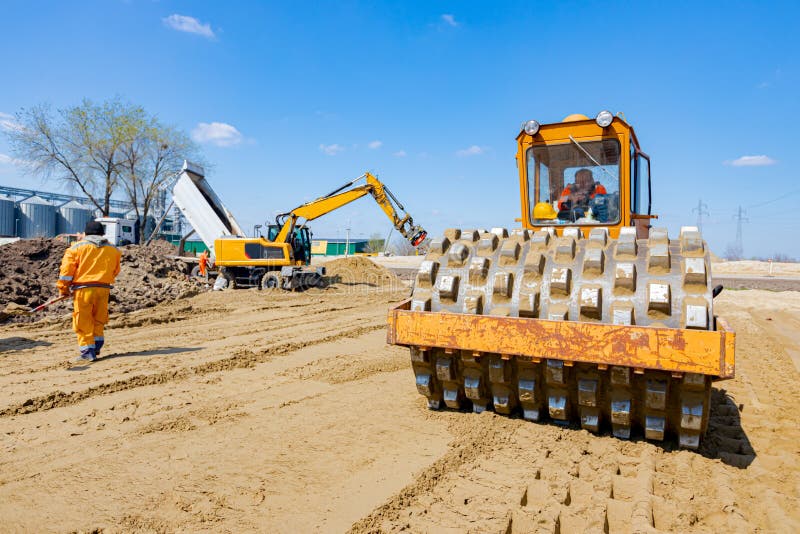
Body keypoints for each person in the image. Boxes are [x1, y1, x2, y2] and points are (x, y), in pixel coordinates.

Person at [56, 220, 121, 362]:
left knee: (83, 320)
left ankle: (87, 351)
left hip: (84, 289)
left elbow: (66, 272)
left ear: (85, 233)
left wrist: (64, 288)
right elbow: (115, 270)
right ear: (103, 233)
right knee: (99, 318)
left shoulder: (76, 248)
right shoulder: (114, 249)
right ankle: (96, 346)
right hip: (103, 289)